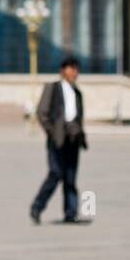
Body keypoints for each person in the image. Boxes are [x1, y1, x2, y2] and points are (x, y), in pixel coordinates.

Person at [29, 55, 89, 225]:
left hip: (73, 139)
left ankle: (71, 212)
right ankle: (37, 206)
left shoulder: (77, 92)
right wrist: (52, 132)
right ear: (63, 71)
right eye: (71, 68)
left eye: (76, 69)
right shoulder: (53, 88)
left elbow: (78, 116)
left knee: (71, 177)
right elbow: (42, 112)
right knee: (55, 174)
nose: (74, 72)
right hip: (58, 139)